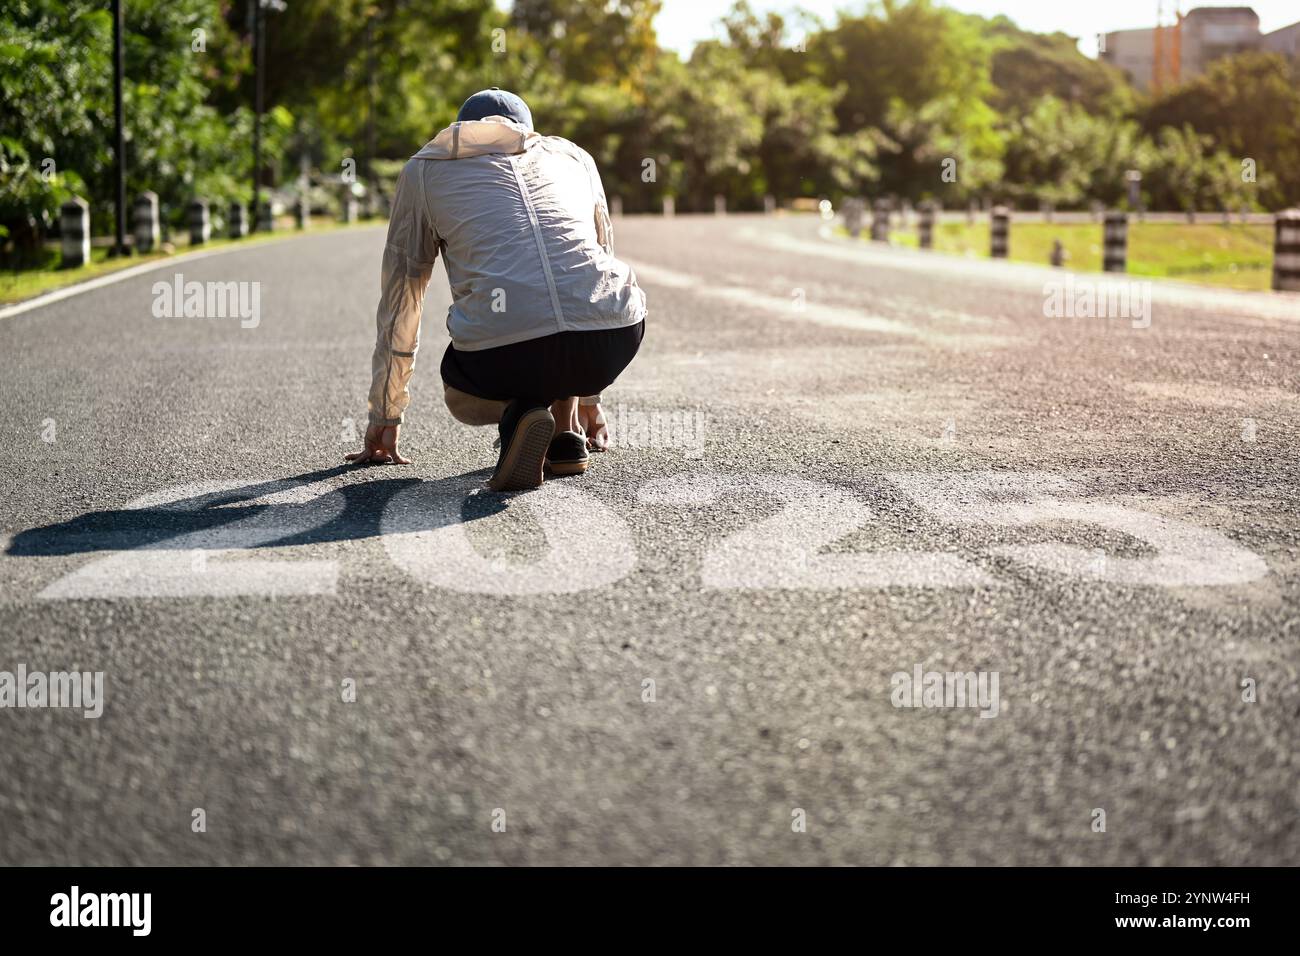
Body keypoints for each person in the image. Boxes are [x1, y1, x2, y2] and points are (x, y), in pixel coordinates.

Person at [346, 88, 646, 491]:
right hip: (613, 340)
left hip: (507, 353)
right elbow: (595, 267)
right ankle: (564, 432)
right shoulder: (574, 158)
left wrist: (385, 414)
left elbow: (403, 298)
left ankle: (521, 412)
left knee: (459, 395)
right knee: (565, 300)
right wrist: (591, 397)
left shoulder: (426, 169)